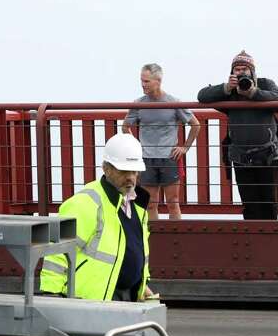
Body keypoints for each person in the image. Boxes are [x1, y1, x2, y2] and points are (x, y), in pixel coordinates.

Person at [40, 133, 154, 302]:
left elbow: (133, 252)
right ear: (106, 169)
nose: (130, 177)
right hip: (90, 301)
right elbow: (56, 253)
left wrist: (142, 285)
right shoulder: (85, 203)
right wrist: (51, 294)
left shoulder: (136, 206)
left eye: (134, 171)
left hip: (128, 297)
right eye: (123, 171)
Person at [198, 50, 278, 220]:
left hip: (267, 155)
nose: (241, 72)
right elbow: (202, 96)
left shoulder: (265, 84)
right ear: (232, 72)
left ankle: (270, 240)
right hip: (240, 156)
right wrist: (226, 88)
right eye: (237, 69)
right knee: (249, 203)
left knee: (269, 202)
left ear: (252, 71)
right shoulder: (229, 92)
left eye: (244, 68)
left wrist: (253, 93)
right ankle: (253, 242)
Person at [122, 63, 200, 221]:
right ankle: (153, 241)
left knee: (173, 202)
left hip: (170, 157)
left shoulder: (173, 102)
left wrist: (184, 148)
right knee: (150, 203)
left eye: (147, 81)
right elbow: (125, 127)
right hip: (146, 158)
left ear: (158, 81)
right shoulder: (138, 104)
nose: (143, 85)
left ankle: (176, 241)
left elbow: (195, 125)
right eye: (141, 81)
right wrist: (137, 147)